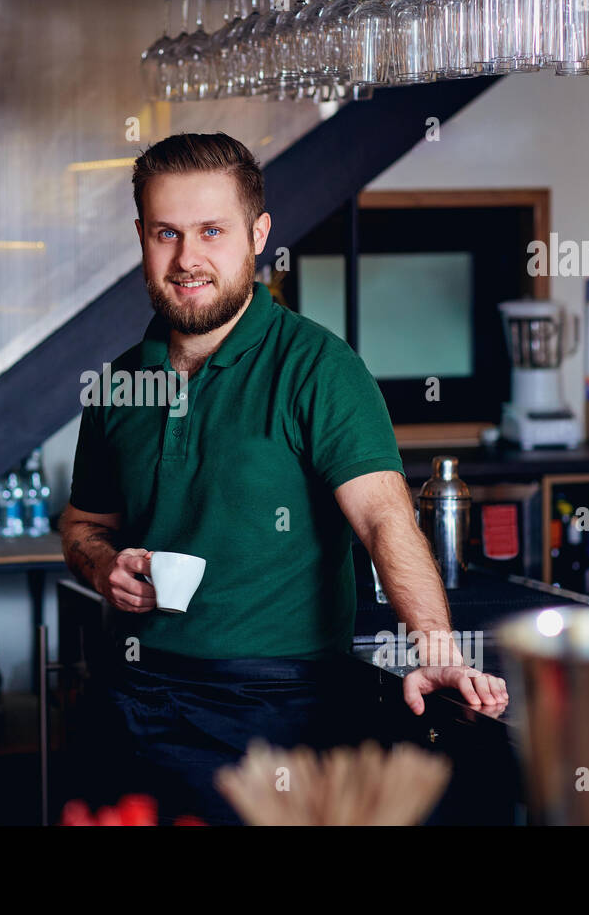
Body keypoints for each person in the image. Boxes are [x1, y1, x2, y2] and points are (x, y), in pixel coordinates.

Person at [59, 132, 507, 825]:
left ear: (258, 234)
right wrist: (103, 566)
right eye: (166, 233)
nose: (187, 259)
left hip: (277, 717)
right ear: (142, 237)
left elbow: (386, 518)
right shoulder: (119, 383)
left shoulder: (318, 369)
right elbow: (85, 526)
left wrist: (437, 649)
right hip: (130, 702)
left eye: (212, 231)